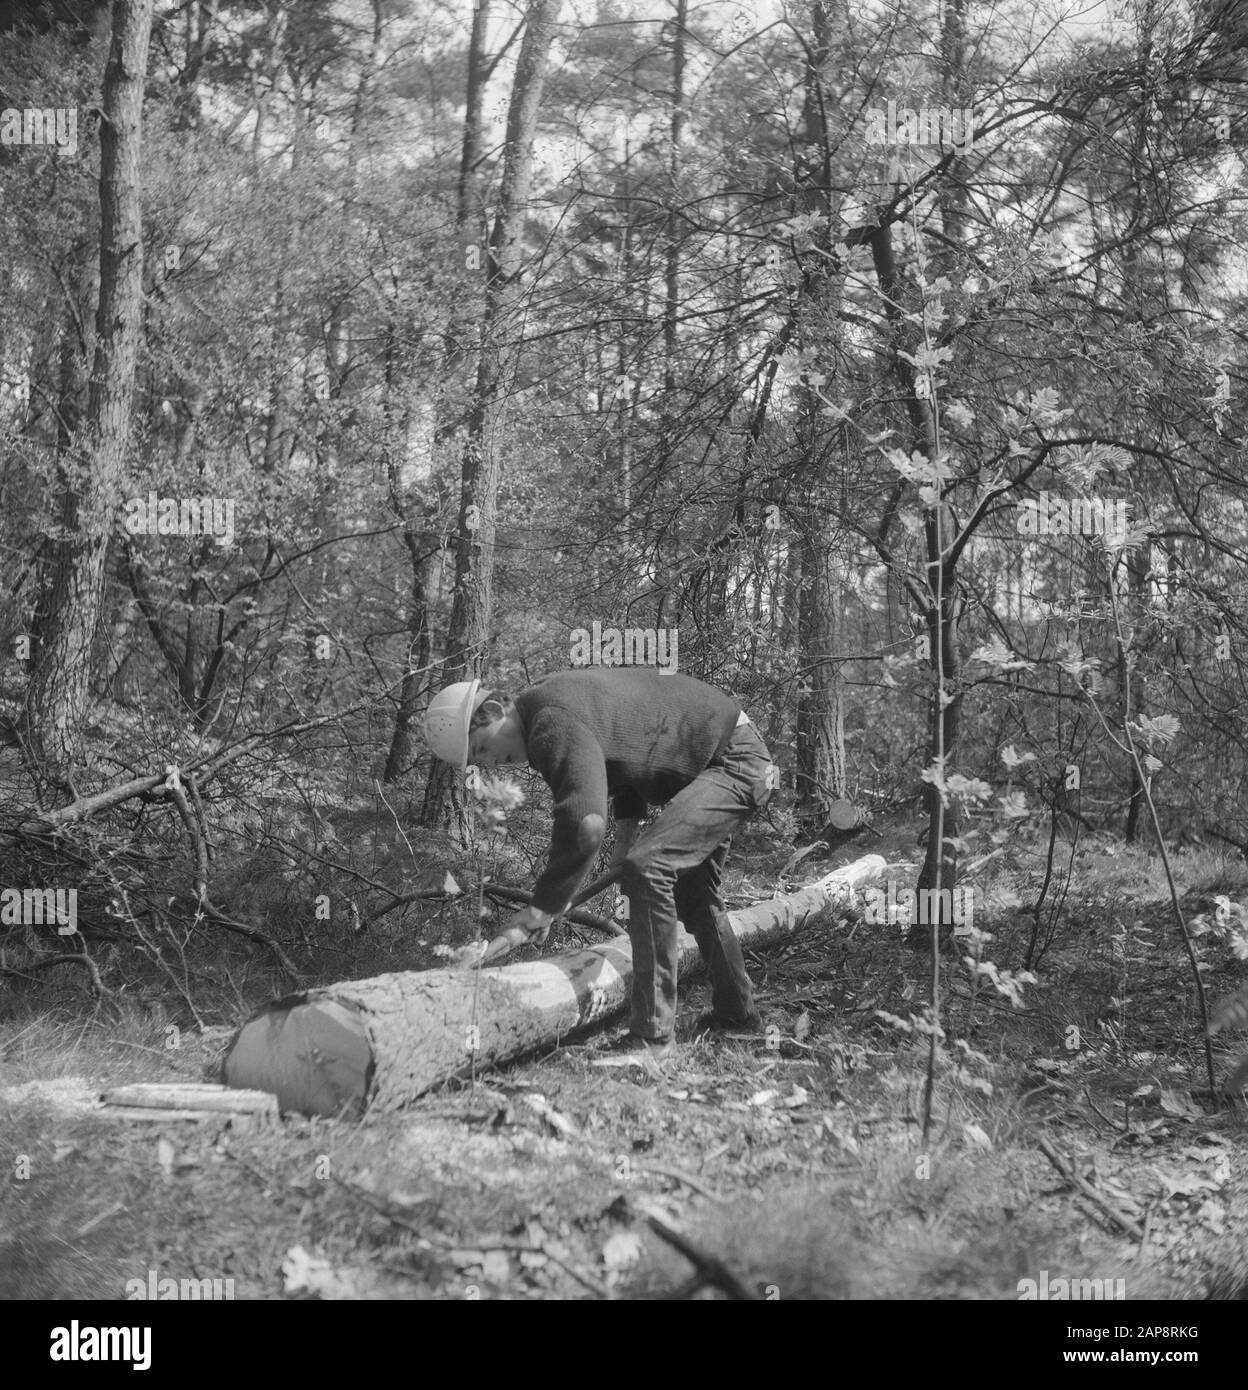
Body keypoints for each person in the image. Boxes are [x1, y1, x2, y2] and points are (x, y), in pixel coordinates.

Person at [424, 668, 774, 1056]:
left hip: (734, 761)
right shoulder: (547, 706)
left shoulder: (549, 721)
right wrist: (626, 833)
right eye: (479, 761)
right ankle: (738, 1016)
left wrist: (541, 908)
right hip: (724, 757)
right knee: (695, 896)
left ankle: (652, 1039)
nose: (492, 763)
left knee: (648, 868)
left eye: (481, 749)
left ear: (492, 710)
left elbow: (585, 825)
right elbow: (625, 752)